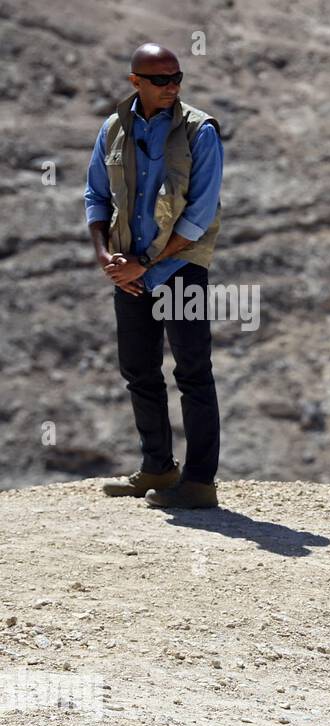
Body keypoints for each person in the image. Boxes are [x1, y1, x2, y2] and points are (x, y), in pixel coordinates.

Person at [87, 43, 225, 509]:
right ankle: (158, 468)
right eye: (161, 80)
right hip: (128, 271)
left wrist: (144, 264)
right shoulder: (114, 129)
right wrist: (108, 259)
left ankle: (200, 481)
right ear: (136, 83)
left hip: (180, 270)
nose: (172, 87)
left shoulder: (199, 131)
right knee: (139, 371)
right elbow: (95, 198)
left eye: (177, 78)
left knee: (192, 372)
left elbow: (198, 217)